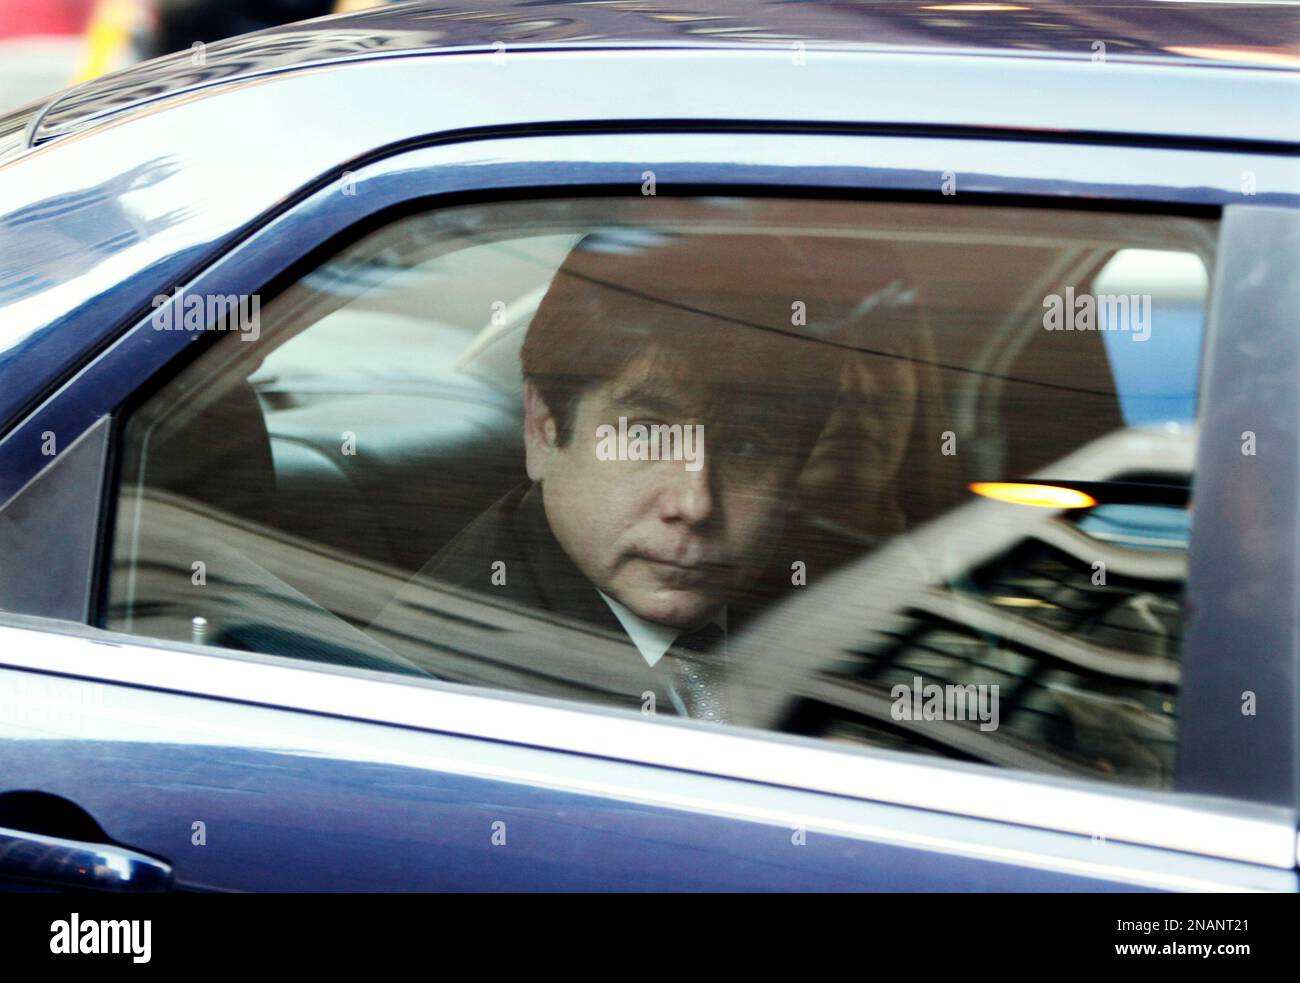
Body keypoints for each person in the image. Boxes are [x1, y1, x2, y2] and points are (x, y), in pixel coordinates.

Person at [371, 229, 906, 721]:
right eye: (647, 434)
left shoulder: (845, 595)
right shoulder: (453, 694)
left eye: (746, 446)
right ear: (543, 430)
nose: (695, 504)